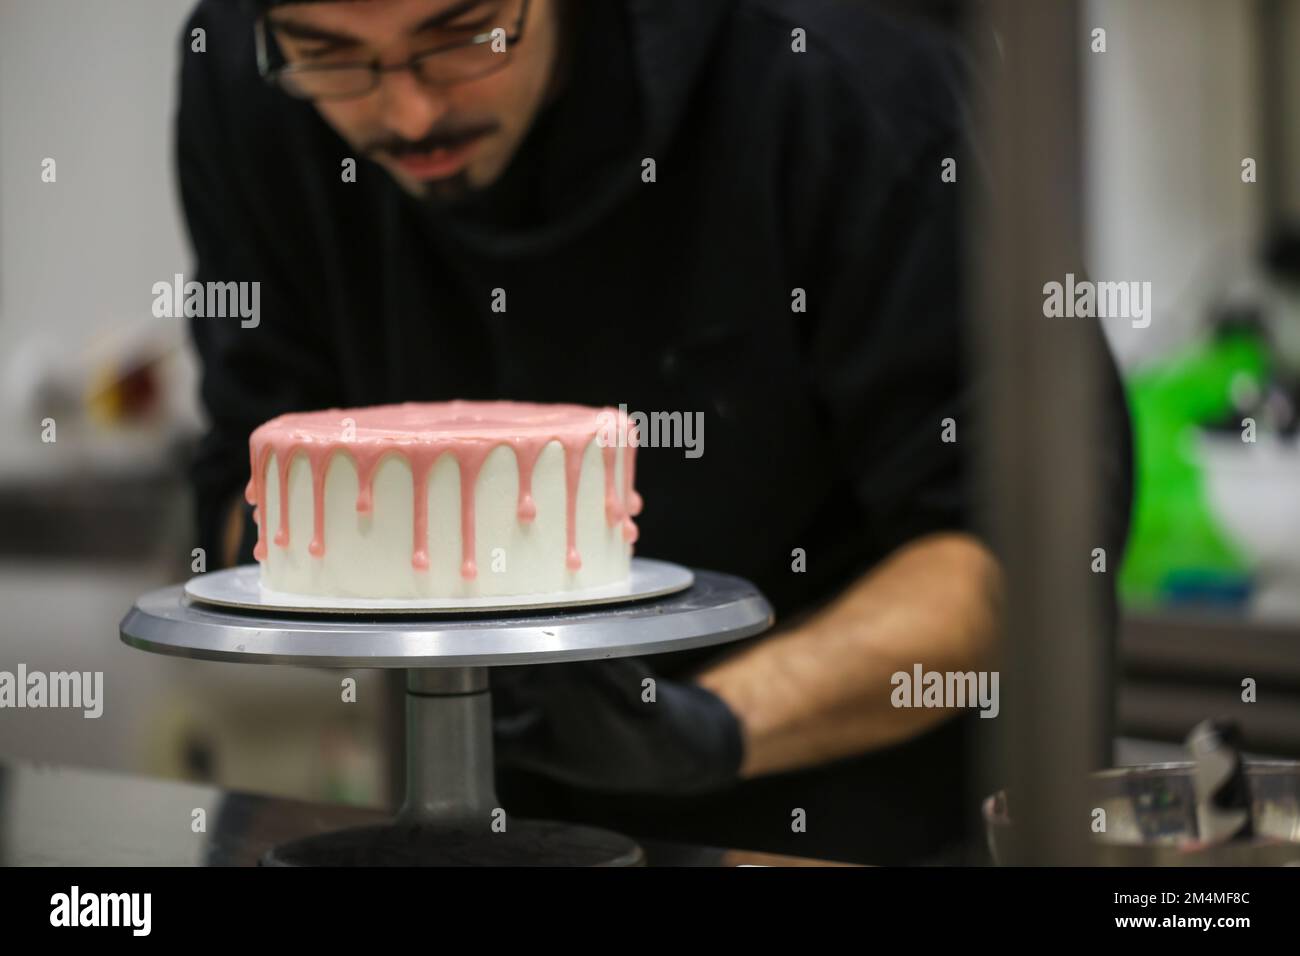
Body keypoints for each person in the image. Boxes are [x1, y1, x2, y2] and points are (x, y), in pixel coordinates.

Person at [178, 0, 1133, 864]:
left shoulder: (839, 72)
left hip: (866, 825)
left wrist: (706, 727)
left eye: (464, 34)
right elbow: (244, 480)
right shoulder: (241, 78)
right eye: (329, 53)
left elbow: (1021, 548)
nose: (411, 114)